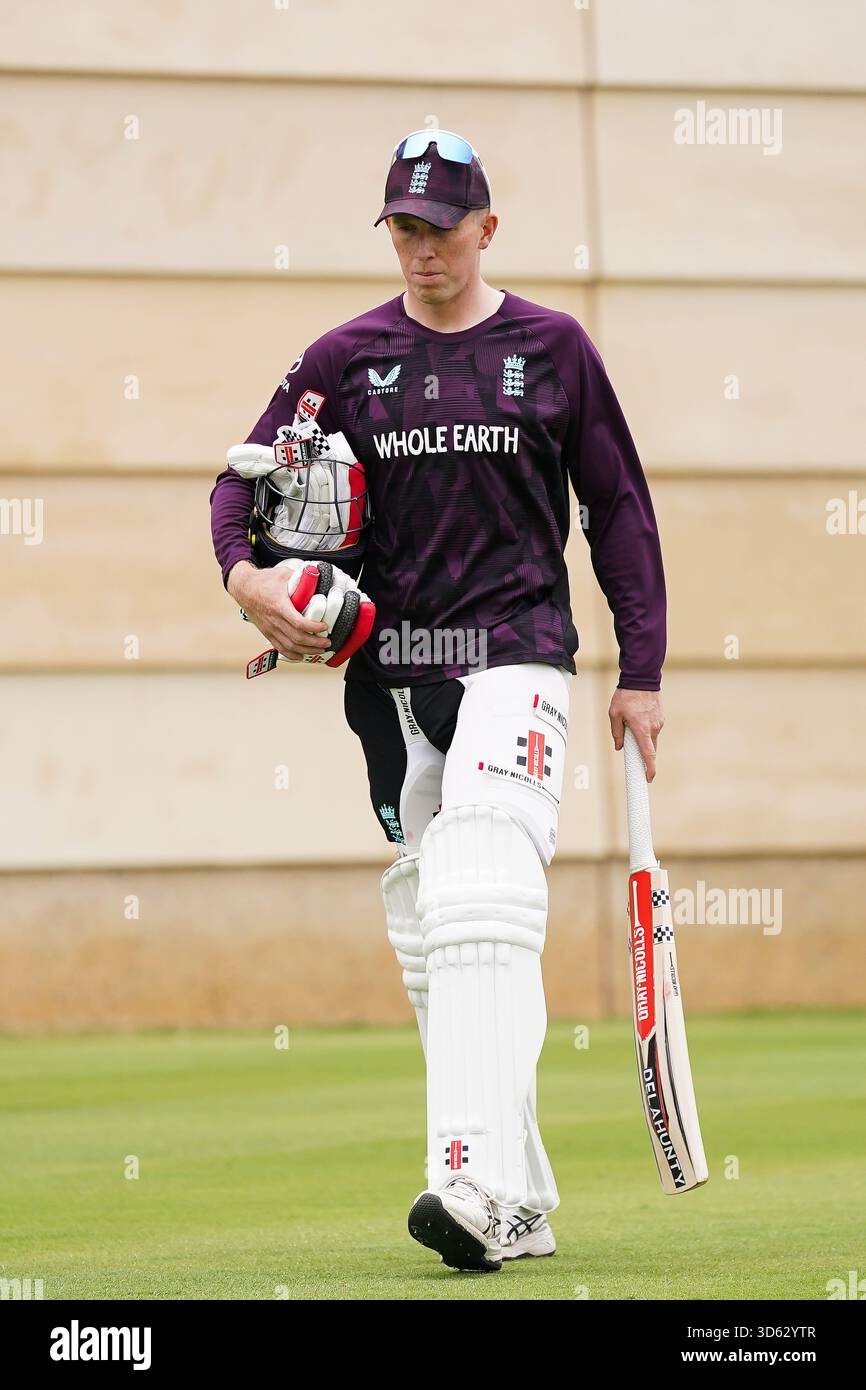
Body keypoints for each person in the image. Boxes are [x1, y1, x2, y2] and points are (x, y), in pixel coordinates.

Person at [210, 128, 666, 1273]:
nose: (422, 249)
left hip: (515, 651)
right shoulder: (345, 358)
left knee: (477, 888)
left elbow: (616, 510)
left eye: (440, 228)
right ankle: (523, 1195)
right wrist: (250, 577)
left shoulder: (551, 349)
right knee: (429, 929)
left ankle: (465, 1178)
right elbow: (242, 479)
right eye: (403, 229)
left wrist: (642, 668)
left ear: (486, 229)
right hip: (388, 674)